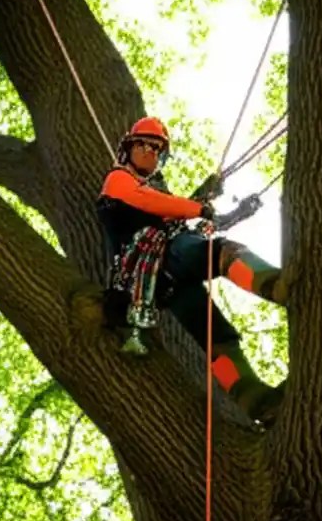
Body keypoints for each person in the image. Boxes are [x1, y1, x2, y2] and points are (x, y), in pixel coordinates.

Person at [96, 116, 285, 426]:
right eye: (145, 145)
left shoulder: (151, 202)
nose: (152, 153)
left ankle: (258, 403)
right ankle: (277, 286)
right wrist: (199, 207)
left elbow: (171, 212)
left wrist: (214, 203)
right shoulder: (117, 181)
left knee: (216, 336)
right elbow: (149, 201)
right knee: (221, 252)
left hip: (164, 282)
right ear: (128, 148)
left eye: (159, 151)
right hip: (163, 256)